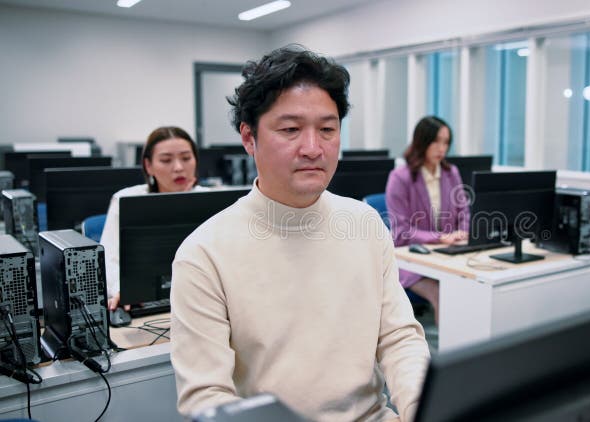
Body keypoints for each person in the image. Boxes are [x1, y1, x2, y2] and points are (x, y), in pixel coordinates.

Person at [169, 45, 430, 421]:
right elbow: (206, 397)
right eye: (290, 129)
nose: (313, 148)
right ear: (248, 137)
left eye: (327, 129)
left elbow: (400, 339)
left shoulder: (365, 222)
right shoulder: (204, 253)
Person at [100, 126, 203, 311]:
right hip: (144, 303)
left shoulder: (213, 201)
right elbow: (108, 258)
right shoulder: (126, 200)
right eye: (166, 160)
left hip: (199, 299)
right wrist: (121, 289)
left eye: (186, 158)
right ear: (148, 166)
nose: (179, 167)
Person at [385, 116, 470, 325]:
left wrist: (463, 233)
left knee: (470, 285)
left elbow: (464, 212)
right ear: (422, 142)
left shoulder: (451, 173)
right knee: (442, 293)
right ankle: (450, 358)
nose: (442, 148)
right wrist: (442, 237)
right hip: (409, 259)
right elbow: (402, 230)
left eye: (446, 142)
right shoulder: (400, 177)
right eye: (436, 141)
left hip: (445, 254)